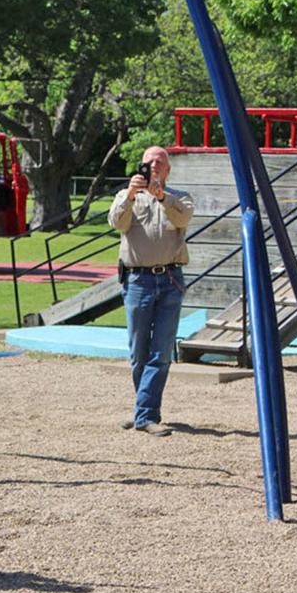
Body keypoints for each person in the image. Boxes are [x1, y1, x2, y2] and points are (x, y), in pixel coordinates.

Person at [107, 146, 195, 437]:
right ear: (141, 166)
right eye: (149, 161)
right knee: (139, 352)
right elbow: (116, 223)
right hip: (137, 281)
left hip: (170, 279)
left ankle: (144, 414)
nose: (154, 166)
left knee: (161, 352)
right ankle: (145, 411)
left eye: (160, 162)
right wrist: (132, 196)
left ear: (168, 170)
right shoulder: (127, 195)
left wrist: (162, 197)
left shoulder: (179, 197)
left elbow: (183, 219)